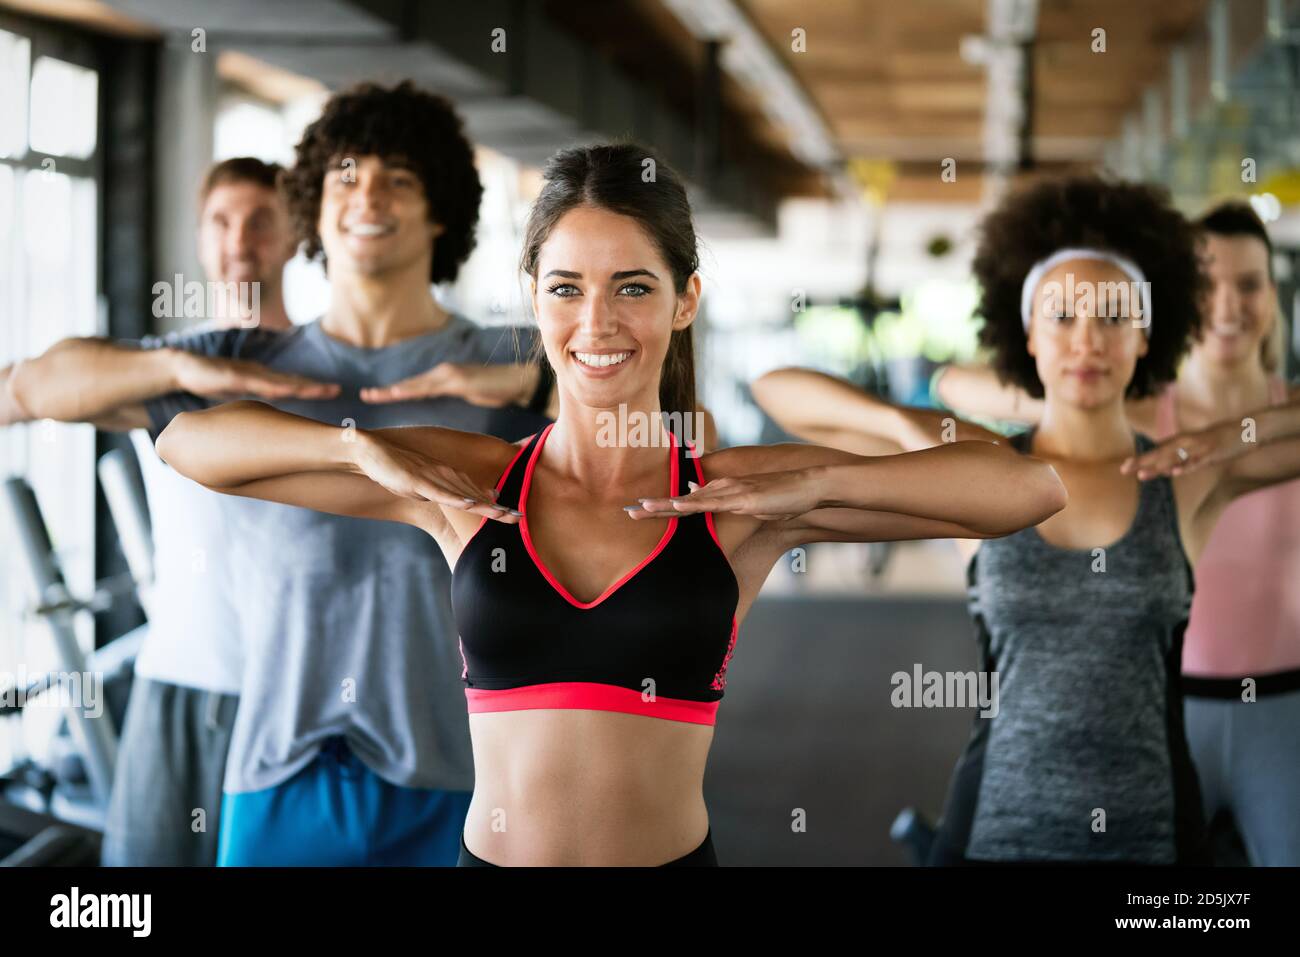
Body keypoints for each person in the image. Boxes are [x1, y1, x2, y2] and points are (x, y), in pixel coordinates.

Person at [155, 142, 1066, 866]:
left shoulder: (736, 495)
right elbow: (188, 443)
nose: (596, 324)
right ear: (536, 300)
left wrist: (821, 483)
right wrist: (357, 446)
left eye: (633, 286)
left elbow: (1027, 488)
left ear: (684, 301)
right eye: (566, 288)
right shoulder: (466, 483)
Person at [9, 81, 553, 865]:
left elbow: (671, 438)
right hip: (278, 767)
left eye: (399, 177)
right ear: (315, 208)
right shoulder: (243, 366)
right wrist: (177, 363)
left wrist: (540, 384)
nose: (367, 195)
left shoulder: (508, 362)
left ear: (440, 212)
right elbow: (29, 388)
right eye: (346, 175)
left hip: (459, 772)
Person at [754, 175, 1300, 864]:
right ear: (1028, 338)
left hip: (1154, 835)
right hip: (998, 830)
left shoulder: (1185, 479)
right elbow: (775, 388)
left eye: (1111, 317)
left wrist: (1234, 435)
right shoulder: (976, 467)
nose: (1087, 342)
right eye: (1063, 318)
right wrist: (900, 422)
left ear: (1144, 338)